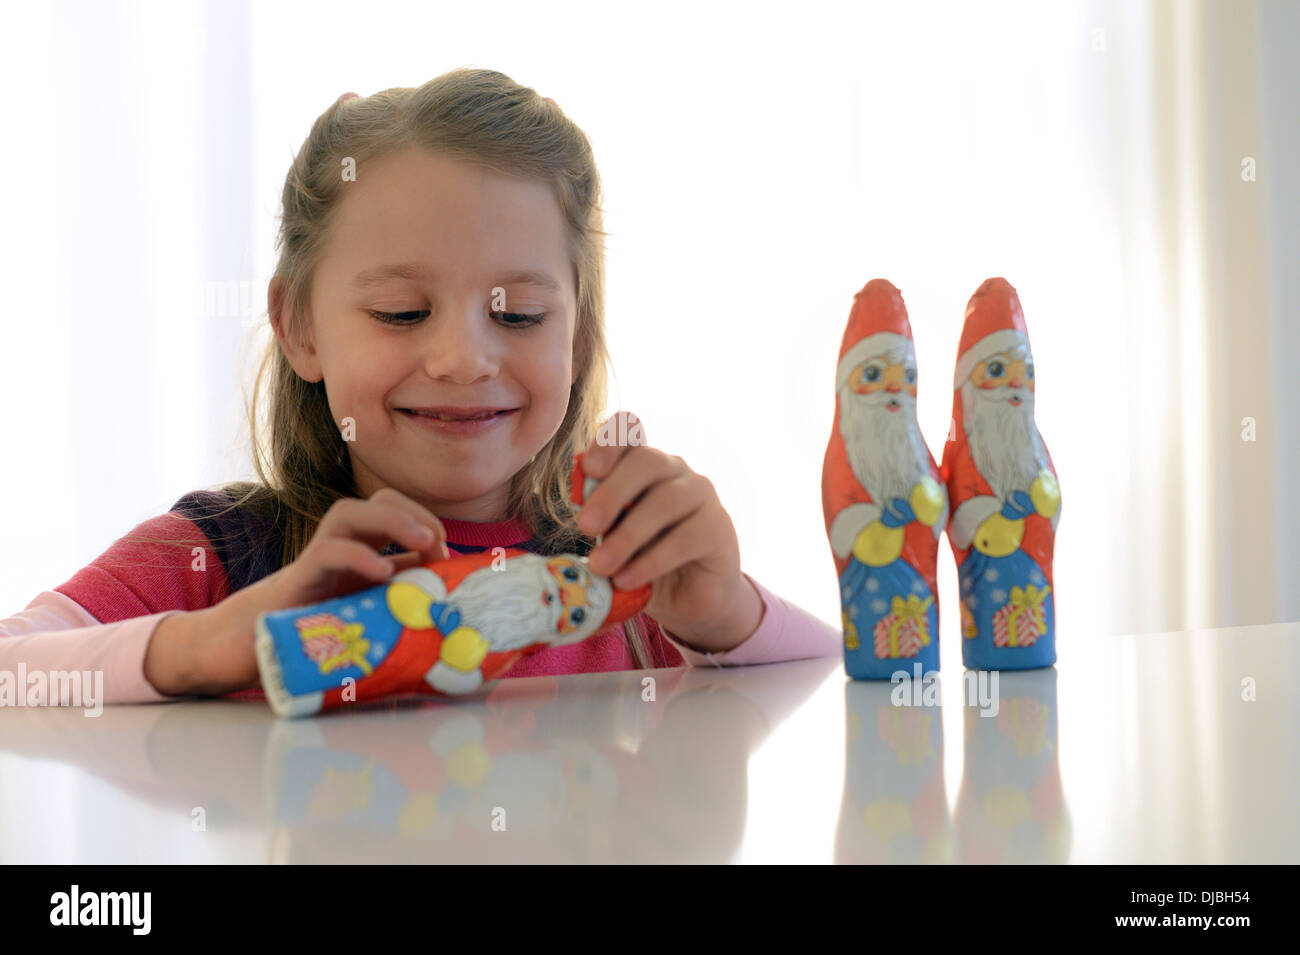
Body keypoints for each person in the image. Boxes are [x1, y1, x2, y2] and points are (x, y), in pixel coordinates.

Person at [0, 68, 839, 707]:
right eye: (402, 312)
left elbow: (845, 704)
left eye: (518, 317)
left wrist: (725, 613)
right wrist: (202, 644)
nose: (462, 359)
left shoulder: (624, 577)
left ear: (577, 339)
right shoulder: (219, 556)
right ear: (300, 327)